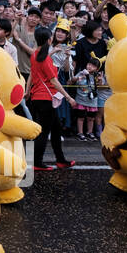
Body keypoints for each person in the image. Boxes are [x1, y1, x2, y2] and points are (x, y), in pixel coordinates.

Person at [28, 25, 76, 171]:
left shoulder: (35, 55)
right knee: (44, 132)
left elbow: (32, 73)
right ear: (49, 39)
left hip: (38, 97)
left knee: (56, 130)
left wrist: (27, 90)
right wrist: (68, 98)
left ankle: (61, 160)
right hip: (46, 99)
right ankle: (37, 162)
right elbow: (54, 81)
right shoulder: (46, 59)